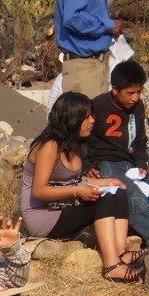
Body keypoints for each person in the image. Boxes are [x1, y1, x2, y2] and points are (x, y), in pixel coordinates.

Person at [21, 91, 143, 282]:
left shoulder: (72, 144)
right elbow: (39, 191)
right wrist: (77, 191)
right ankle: (111, 266)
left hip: (62, 208)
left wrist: (107, 182)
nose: (92, 120)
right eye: (87, 117)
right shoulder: (49, 146)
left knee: (117, 191)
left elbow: (73, 181)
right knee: (104, 199)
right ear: (72, 119)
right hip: (43, 217)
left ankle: (121, 253)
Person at [87, 60, 149, 245]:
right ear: (115, 89)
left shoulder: (138, 107)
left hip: (130, 163)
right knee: (133, 197)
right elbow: (81, 138)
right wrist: (86, 164)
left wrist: (142, 163)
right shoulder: (97, 105)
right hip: (105, 162)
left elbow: (140, 140)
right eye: (130, 93)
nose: (135, 98)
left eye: (139, 92)